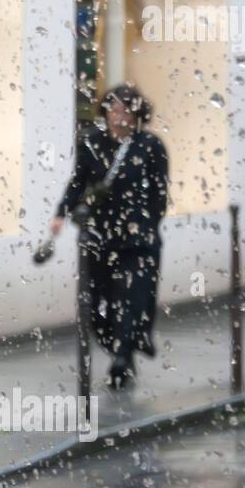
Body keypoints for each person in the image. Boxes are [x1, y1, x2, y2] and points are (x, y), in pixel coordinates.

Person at [49, 83, 169, 389]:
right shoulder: (92, 143)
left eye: (126, 111)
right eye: (114, 109)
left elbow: (159, 195)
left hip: (137, 242)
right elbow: (78, 182)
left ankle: (123, 358)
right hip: (101, 238)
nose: (119, 117)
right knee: (99, 306)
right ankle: (117, 345)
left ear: (137, 114)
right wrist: (61, 213)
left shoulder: (150, 147)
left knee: (131, 300)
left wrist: (144, 224)